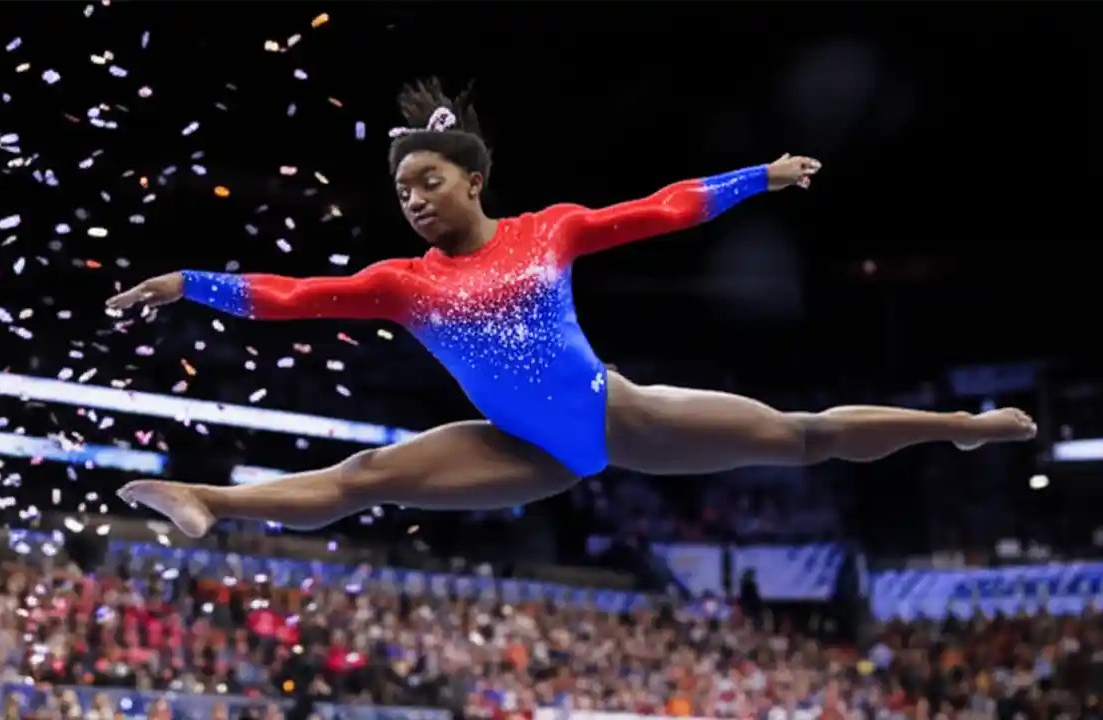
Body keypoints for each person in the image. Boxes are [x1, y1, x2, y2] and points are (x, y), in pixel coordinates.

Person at [107, 78, 1036, 537]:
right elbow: (292, 296)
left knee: (802, 437)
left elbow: (661, 207)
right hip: (519, 447)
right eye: (403, 194)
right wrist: (190, 282)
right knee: (364, 474)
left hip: (611, 415)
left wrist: (763, 174)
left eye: (430, 182)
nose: (416, 201)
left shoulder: (545, 232)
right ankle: (204, 500)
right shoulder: (403, 283)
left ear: (473, 179)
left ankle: (958, 426)